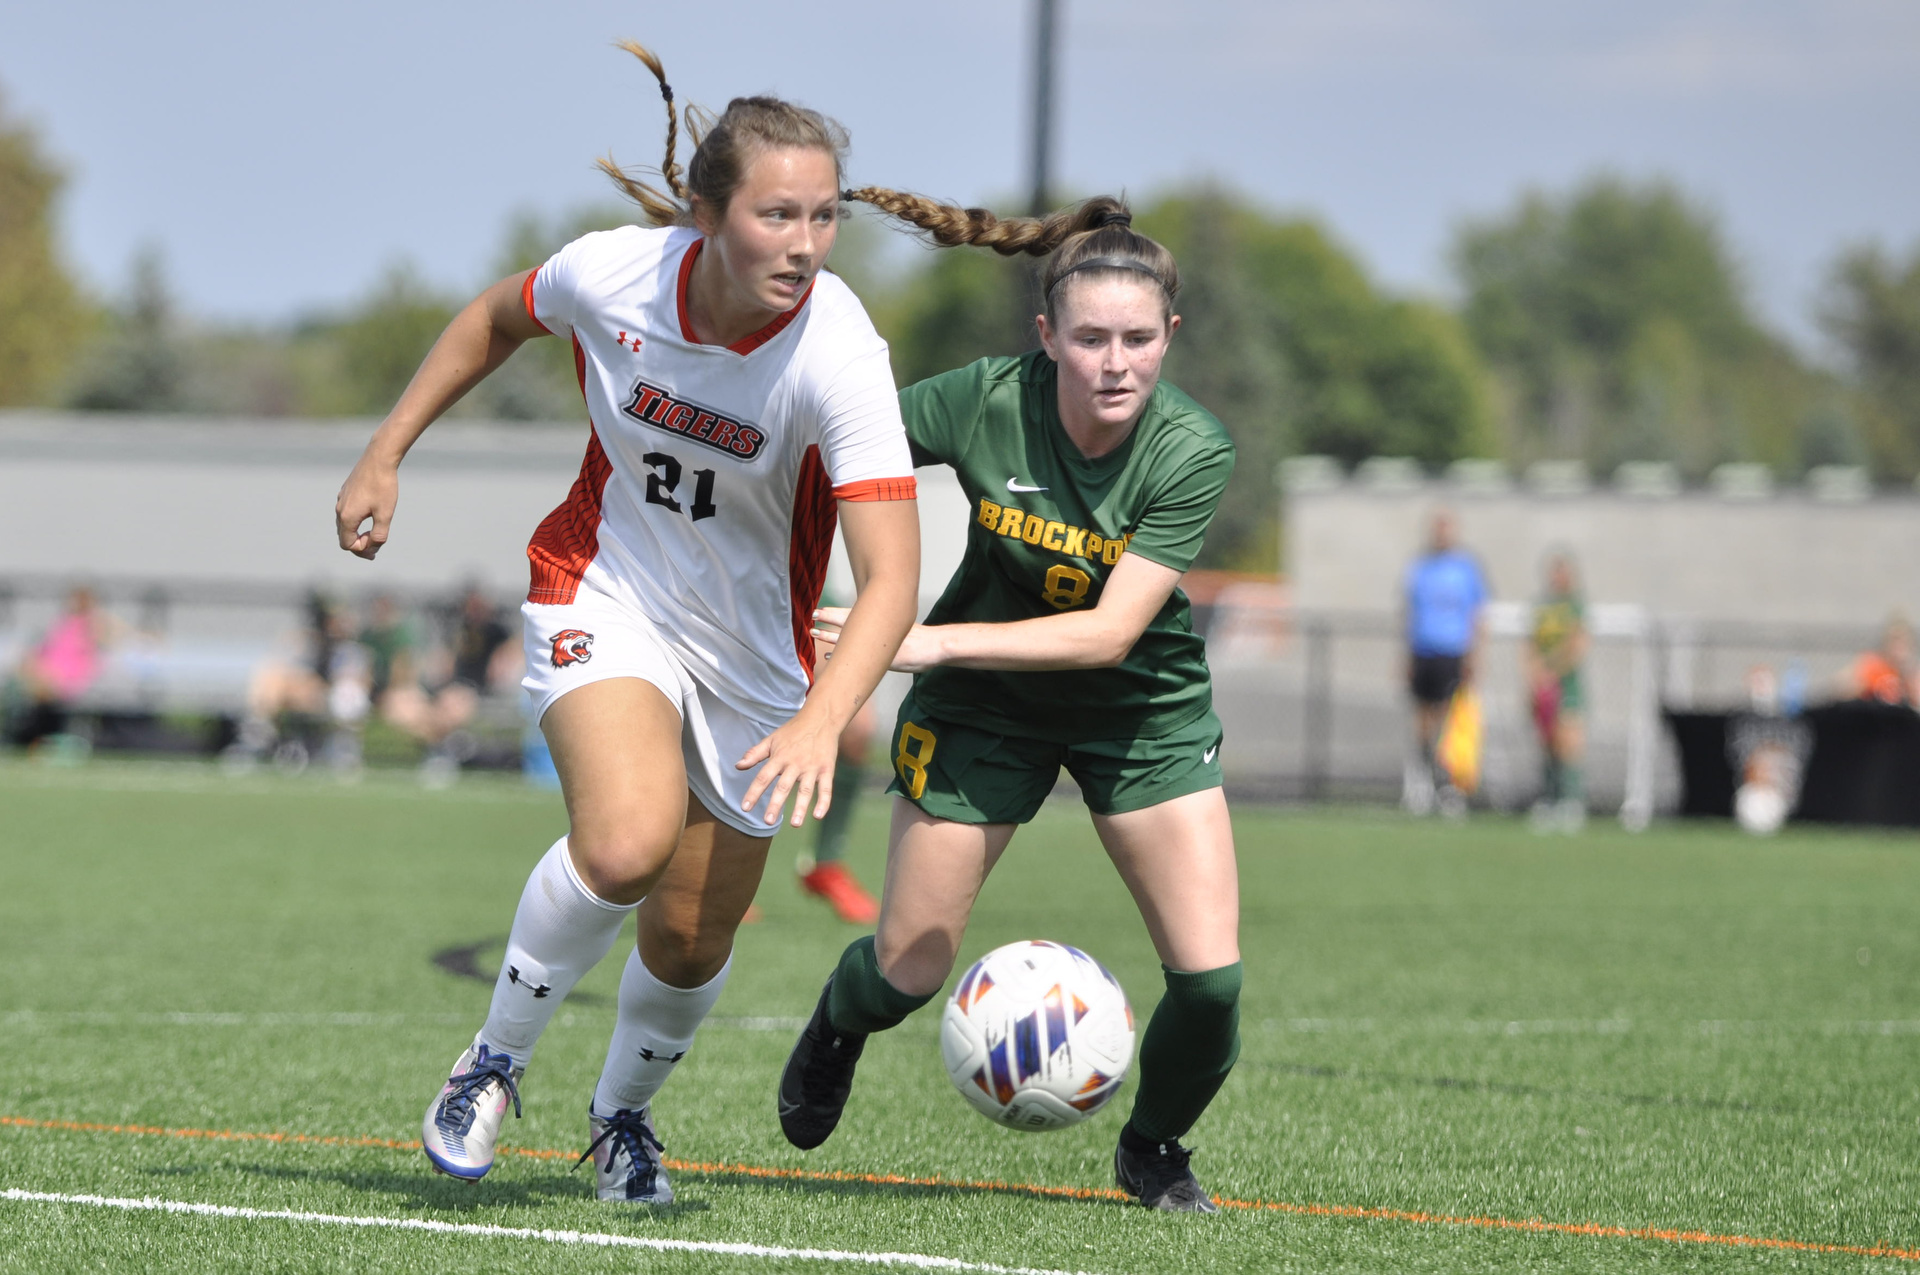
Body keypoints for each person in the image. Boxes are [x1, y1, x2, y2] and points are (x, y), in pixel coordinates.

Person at [331, 43, 919, 1206]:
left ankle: (622, 1120)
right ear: (705, 214)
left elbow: (891, 579)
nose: (805, 242)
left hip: (753, 657)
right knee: (625, 844)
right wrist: (385, 452)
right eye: (777, 214)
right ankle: (491, 1062)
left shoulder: (840, 352)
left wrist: (822, 716)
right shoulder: (614, 275)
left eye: (824, 216)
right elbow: (493, 318)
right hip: (603, 590)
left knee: (692, 939)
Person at [775, 193, 1241, 1214]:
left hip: (1140, 710)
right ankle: (840, 1024)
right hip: (985, 706)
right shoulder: (983, 399)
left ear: (1169, 335)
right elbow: (825, 441)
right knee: (906, 971)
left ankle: (1154, 1149)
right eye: (1090, 339)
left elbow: (1109, 634)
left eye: (1137, 339)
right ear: (1046, 336)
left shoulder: (1191, 448)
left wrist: (919, 639)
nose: (1115, 363)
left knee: (1211, 984)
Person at [794, 585, 882, 924]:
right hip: (729, 590)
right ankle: (709, 866)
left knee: (857, 729)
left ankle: (824, 863)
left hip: (805, 588)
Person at [1400, 510, 1487, 817]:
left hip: (1453, 652)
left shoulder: (1466, 569)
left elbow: (1477, 615)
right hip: (1424, 650)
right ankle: (1421, 781)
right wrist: (1406, 656)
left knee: (1449, 721)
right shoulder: (1420, 567)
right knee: (1423, 720)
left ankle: (1448, 785)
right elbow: (1410, 613)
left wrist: (1475, 655)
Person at [1525, 551, 1588, 832]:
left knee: (1568, 742)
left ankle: (1571, 800)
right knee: (1547, 741)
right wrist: (1535, 676)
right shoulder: (1542, 607)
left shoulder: (1575, 607)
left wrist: (1553, 670)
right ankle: (1549, 798)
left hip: (1565, 684)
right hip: (1544, 686)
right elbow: (1530, 645)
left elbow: (1578, 646)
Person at [1844, 614, 1915, 707]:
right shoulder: (1872, 665)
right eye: (1895, 640)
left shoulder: (1912, 675)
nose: (1898, 646)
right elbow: (1845, 690)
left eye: (1903, 641)